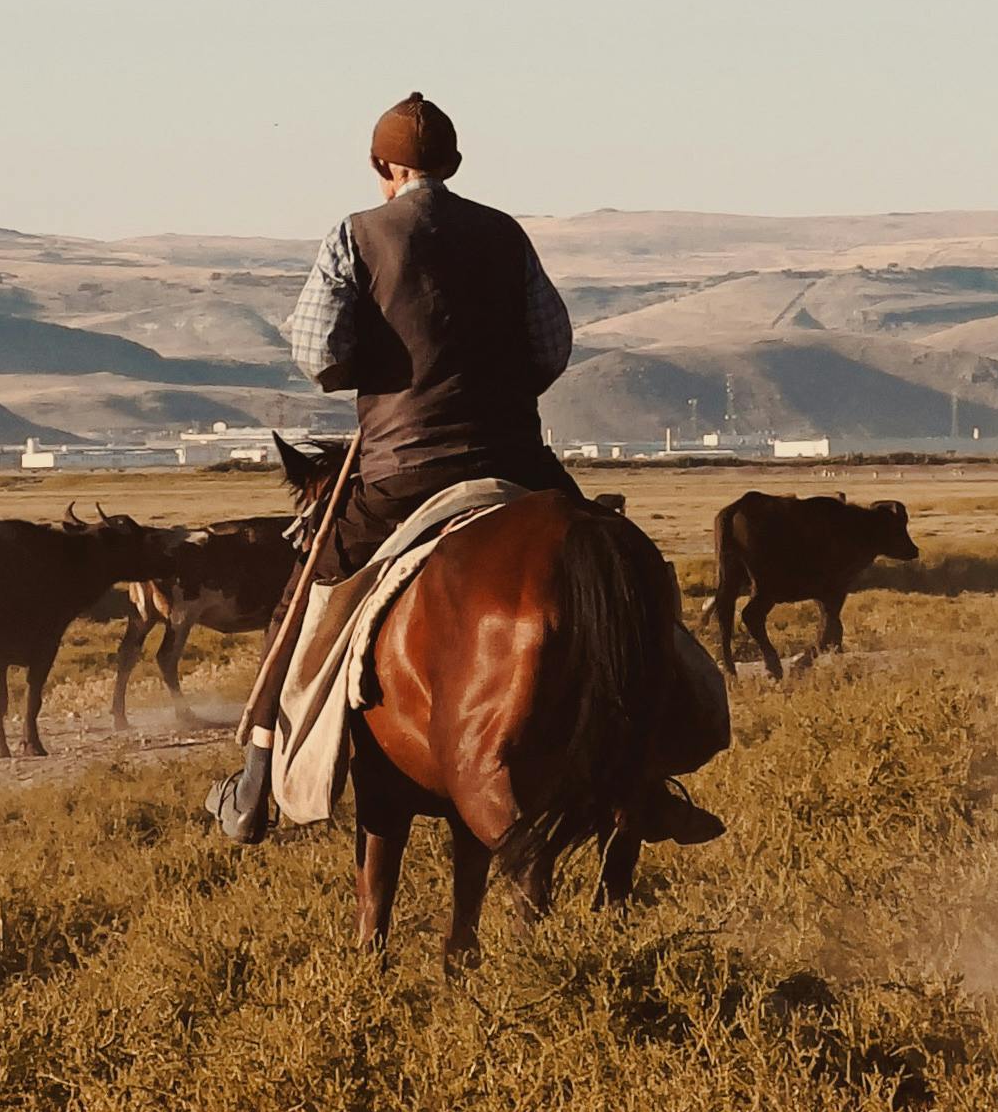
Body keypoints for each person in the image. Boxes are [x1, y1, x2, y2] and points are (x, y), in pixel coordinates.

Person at [209, 92, 722, 847]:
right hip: (517, 460)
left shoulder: (355, 236)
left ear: (384, 165)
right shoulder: (507, 235)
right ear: (450, 163)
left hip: (400, 470)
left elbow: (319, 356)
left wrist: (378, 365)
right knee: (620, 569)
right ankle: (652, 769)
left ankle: (257, 776)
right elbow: (550, 350)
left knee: (308, 595)